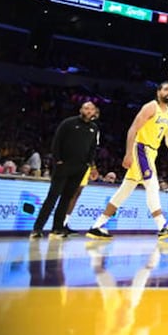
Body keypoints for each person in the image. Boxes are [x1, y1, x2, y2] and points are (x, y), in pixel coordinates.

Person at [87, 81, 168, 240]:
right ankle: (162, 225)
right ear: (158, 92)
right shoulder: (151, 107)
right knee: (152, 185)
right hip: (141, 149)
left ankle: (97, 225)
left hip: (152, 153)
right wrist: (128, 153)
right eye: (166, 89)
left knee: (124, 191)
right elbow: (133, 129)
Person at [31, 100, 100, 238]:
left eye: (90, 108)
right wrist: (58, 160)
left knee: (67, 198)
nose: (88, 110)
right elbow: (56, 142)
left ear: (94, 112)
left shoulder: (94, 128)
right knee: (52, 197)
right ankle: (37, 229)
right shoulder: (68, 123)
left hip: (80, 168)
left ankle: (57, 228)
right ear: (81, 110)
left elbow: (93, 148)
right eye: (85, 108)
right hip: (64, 166)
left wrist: (89, 164)